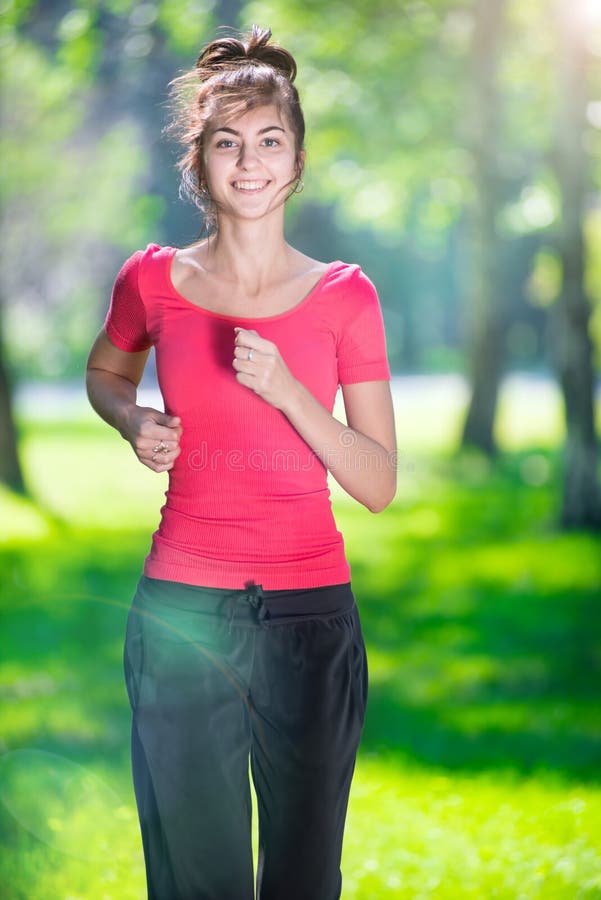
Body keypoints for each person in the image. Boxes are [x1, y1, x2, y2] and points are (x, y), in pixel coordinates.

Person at [86, 23, 397, 900]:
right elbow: (106, 370)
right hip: (182, 614)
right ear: (200, 162)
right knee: (196, 882)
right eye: (228, 144)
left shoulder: (345, 295)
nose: (249, 163)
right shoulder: (151, 279)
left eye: (270, 143)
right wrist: (127, 415)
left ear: (296, 161)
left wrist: (295, 395)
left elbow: (376, 484)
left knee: (301, 882)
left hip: (309, 622)